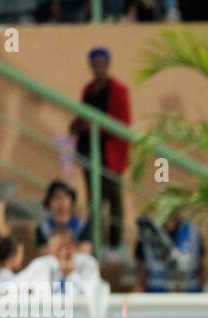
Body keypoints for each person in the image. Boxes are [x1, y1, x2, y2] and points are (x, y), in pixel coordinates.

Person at [70, 47, 130, 248]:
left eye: (101, 63)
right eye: (94, 63)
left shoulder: (118, 90)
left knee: (113, 198)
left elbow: (121, 123)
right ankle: (95, 240)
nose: (98, 67)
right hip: (89, 151)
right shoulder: (89, 89)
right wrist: (77, 125)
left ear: (108, 64)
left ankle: (114, 242)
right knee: (94, 198)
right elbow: (83, 114)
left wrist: (91, 126)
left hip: (109, 153)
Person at [17, 228, 102, 296]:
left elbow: (95, 295)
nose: (64, 252)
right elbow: (12, 287)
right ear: (49, 250)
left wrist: (71, 274)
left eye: (67, 246)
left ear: (75, 247)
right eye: (59, 248)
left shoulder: (87, 263)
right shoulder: (40, 264)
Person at [134, 211, 205, 292]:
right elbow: (140, 269)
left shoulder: (193, 231)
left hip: (189, 298)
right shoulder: (147, 232)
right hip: (156, 298)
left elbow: (201, 267)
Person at [35, 180, 93, 255]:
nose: (61, 202)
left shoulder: (82, 225)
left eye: (64, 197)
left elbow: (85, 250)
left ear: (71, 201)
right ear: (49, 203)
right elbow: (42, 252)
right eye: (56, 198)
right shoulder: (42, 228)